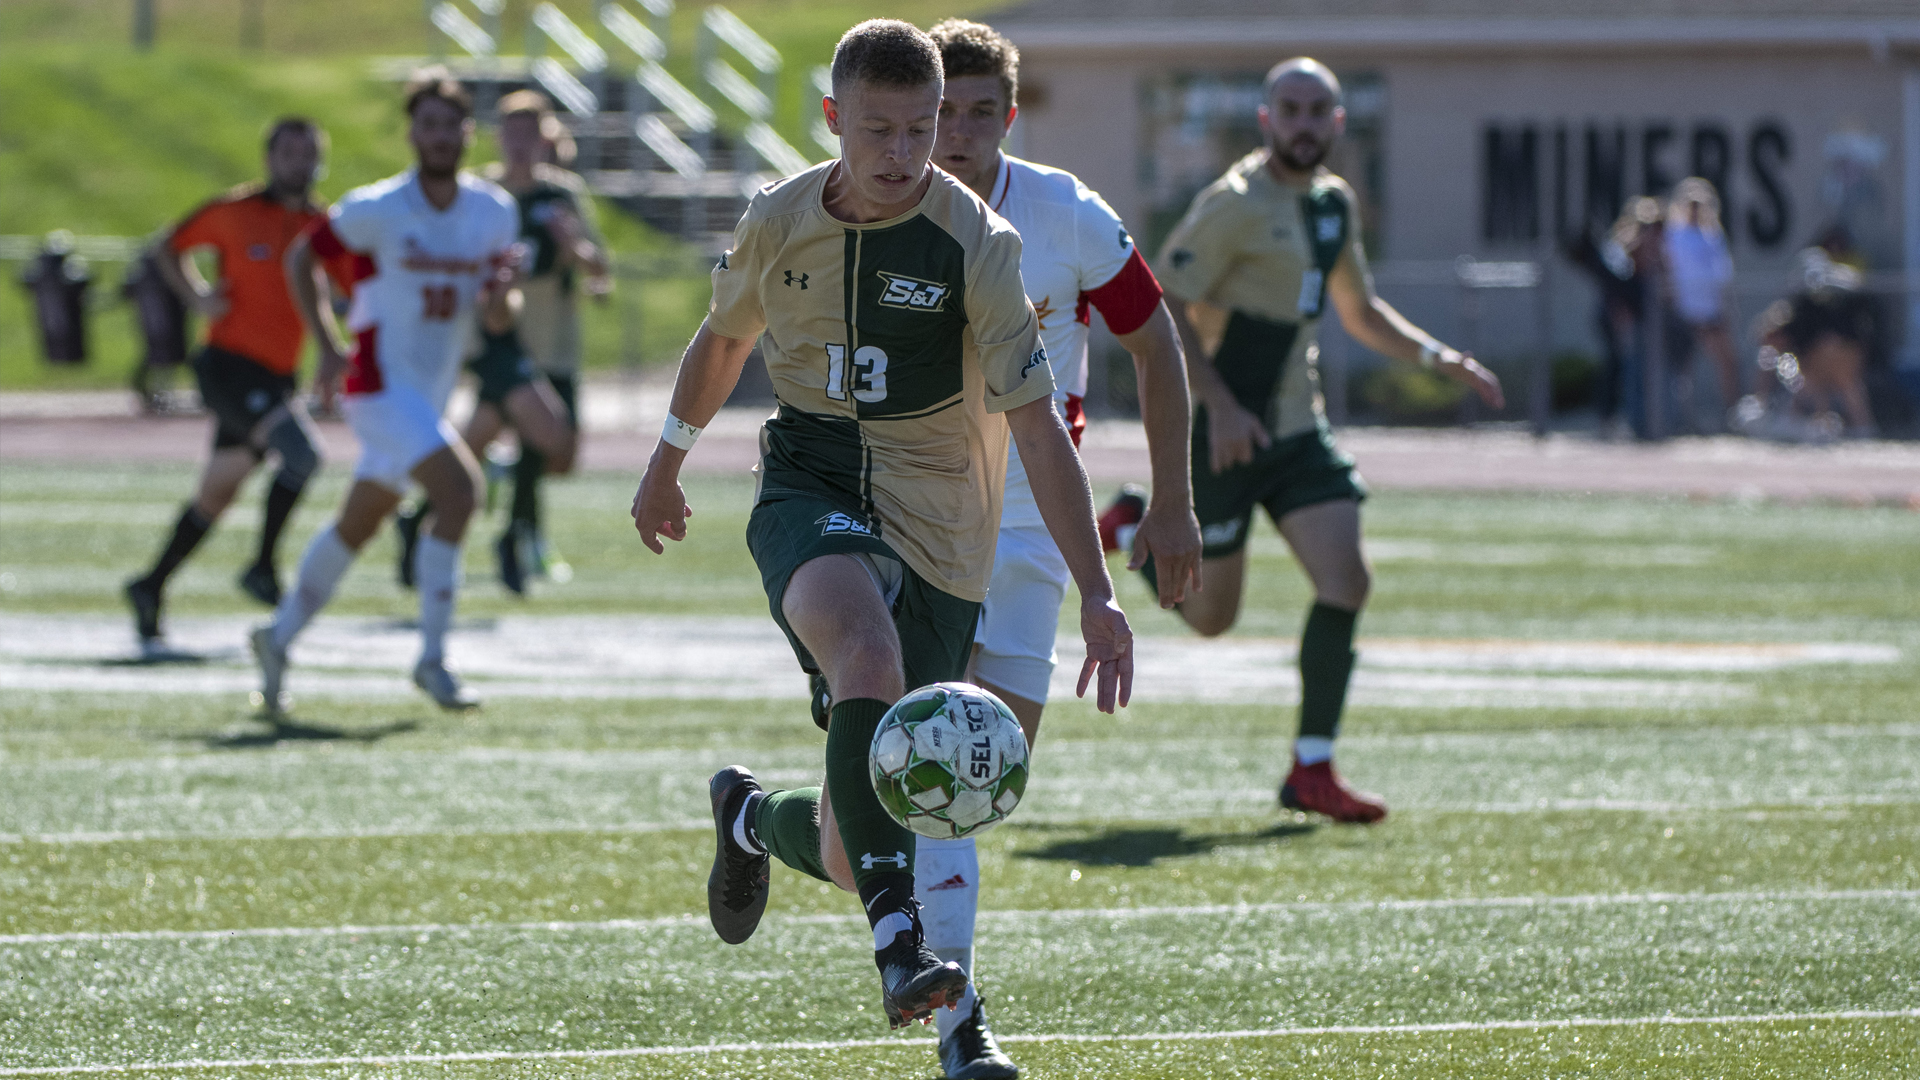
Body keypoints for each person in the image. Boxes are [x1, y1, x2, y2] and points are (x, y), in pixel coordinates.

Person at [629, 19, 1133, 1031]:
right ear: (832, 122)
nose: (904, 155)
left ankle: (748, 816)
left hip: (945, 516)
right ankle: (903, 950)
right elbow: (722, 339)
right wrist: (667, 459)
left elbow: (1035, 426)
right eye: (879, 131)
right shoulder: (778, 217)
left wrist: (1098, 592)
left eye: (921, 128)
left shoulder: (980, 244)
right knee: (866, 652)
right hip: (810, 478)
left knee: (845, 838)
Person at [881, 18, 1202, 1078]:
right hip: (905, 522)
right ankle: (768, 831)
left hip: (1031, 526)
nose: (960, 132)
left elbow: (1154, 339)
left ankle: (955, 1018)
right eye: (945, 113)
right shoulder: (866, 205)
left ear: (1008, 116)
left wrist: (1172, 501)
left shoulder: (1066, 212)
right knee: (886, 812)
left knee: (969, 777)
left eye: (980, 112)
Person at [1102, 57, 1503, 824]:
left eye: (1318, 110)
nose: (1304, 122)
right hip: (1222, 434)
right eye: (1290, 108)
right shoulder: (1232, 204)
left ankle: (1312, 768)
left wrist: (1438, 357)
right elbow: (1162, 304)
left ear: (1337, 123)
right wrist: (1217, 404)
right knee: (1212, 619)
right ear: (1266, 118)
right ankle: (1132, 524)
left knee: (1347, 581)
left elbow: (1359, 308)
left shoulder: (1331, 204)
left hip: (1295, 430)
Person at [263, 72, 522, 714]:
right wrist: (324, 342)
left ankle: (276, 636)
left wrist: (498, 300)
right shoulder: (376, 206)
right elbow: (303, 256)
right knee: (460, 493)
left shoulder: (492, 210)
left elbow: (499, 316)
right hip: (376, 387)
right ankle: (432, 659)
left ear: (468, 132)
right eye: (426, 124)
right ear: (412, 133)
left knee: (360, 521)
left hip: (430, 393)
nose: (438, 136)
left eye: (449, 124)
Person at [125, 118, 345, 657]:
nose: (298, 163)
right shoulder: (235, 211)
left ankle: (150, 585)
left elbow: (345, 289)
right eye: (289, 152)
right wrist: (198, 297)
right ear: (269, 158)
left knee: (216, 493)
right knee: (302, 456)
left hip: (277, 374)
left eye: (308, 153)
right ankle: (263, 566)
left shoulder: (323, 225)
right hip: (228, 367)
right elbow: (168, 247)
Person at [396, 90, 594, 595]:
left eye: (532, 132)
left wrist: (574, 247)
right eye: (513, 132)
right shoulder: (482, 193)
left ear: (546, 138)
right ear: (497, 137)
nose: (522, 143)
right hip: (500, 341)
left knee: (535, 445)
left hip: (554, 340)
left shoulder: (561, 195)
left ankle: (418, 517)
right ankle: (512, 539)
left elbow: (599, 272)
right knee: (541, 432)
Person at [1662, 177, 1741, 425]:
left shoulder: (1713, 235)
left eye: (1700, 204)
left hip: (1711, 311)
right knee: (1682, 368)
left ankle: (1732, 415)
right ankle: (1681, 418)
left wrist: (1723, 307)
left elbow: (1723, 274)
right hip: (1685, 311)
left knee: (1727, 362)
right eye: (1691, 204)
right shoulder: (1673, 234)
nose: (1695, 210)